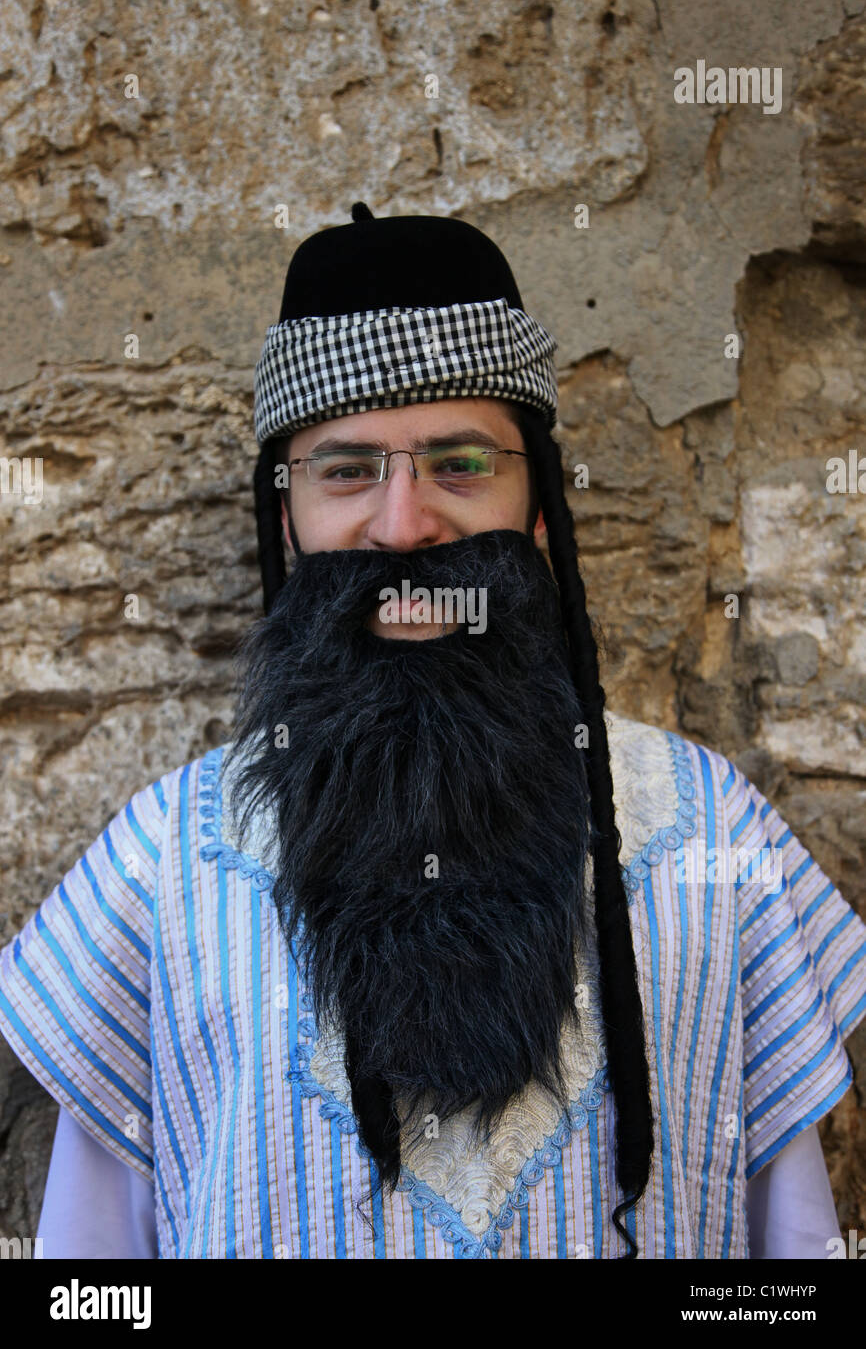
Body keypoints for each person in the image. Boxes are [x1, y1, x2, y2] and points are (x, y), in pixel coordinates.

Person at [2, 205, 865, 1260]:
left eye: (459, 464)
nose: (403, 524)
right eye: (346, 469)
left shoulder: (715, 839)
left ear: (537, 506)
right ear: (288, 519)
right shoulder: (156, 866)